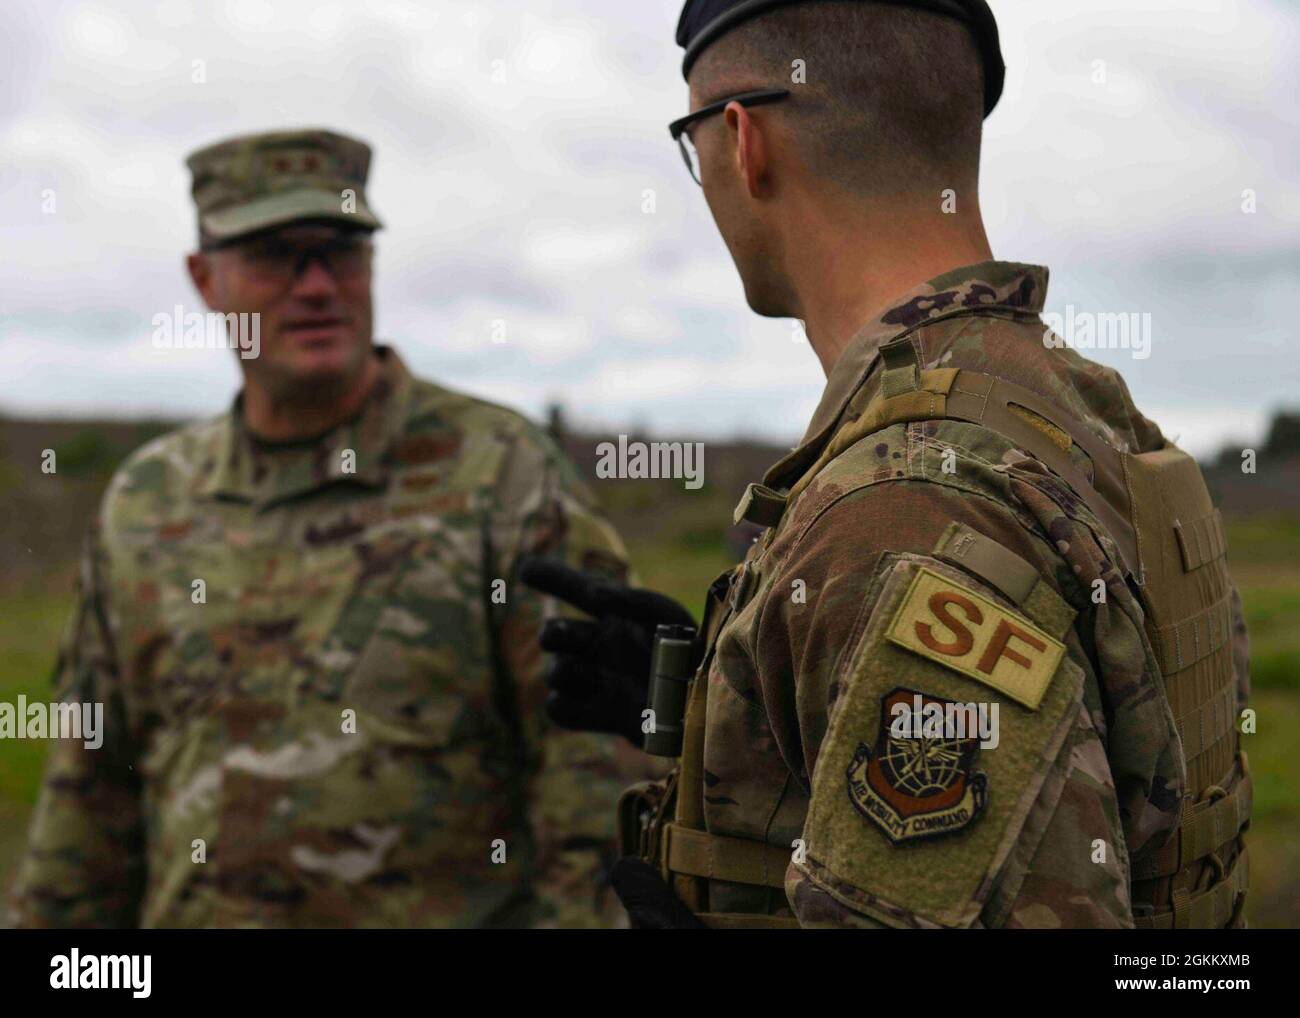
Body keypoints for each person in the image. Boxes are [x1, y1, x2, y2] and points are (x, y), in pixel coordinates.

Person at [523, 0, 1251, 929]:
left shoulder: (901, 508)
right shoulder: (1093, 418)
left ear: (743, 142)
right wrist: (728, 700)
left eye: (691, 140)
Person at [10, 128, 641, 928]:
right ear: (203, 279)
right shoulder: (146, 502)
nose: (316, 286)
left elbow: (592, 791)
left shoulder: (501, 475)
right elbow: (88, 792)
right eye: (276, 254)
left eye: (342, 251)